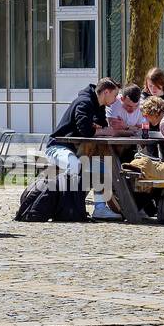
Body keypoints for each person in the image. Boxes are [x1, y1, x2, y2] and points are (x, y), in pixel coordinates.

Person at [46, 78, 120, 220]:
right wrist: (102, 130)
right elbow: (86, 130)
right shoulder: (84, 103)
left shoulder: (99, 106)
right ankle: (65, 208)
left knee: (102, 167)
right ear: (106, 92)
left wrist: (100, 129)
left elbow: (100, 126)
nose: (116, 99)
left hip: (77, 150)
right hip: (58, 147)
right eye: (115, 95)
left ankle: (100, 208)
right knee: (75, 165)